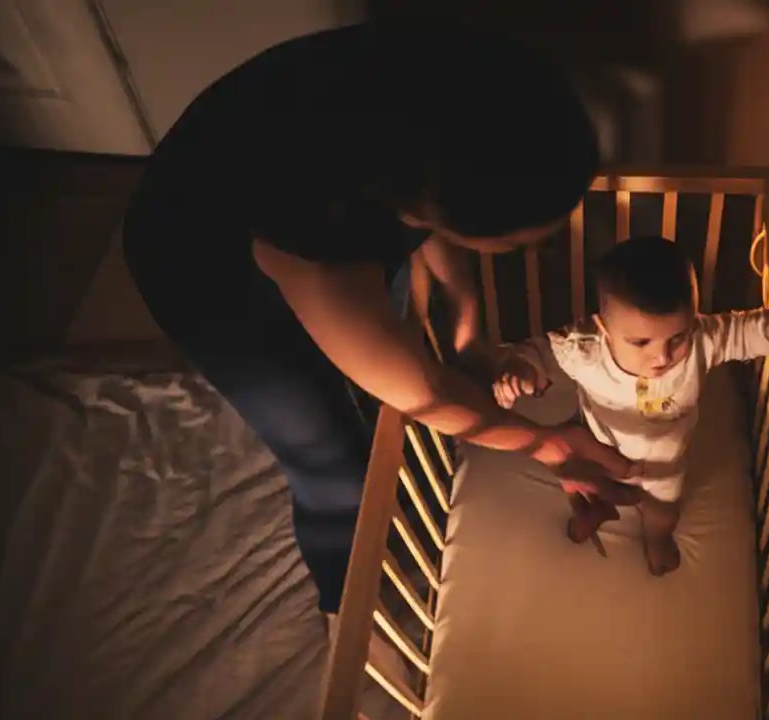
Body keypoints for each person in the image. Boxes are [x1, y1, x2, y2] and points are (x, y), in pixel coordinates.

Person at [122, 17, 642, 626]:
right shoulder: (317, 230)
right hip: (201, 263)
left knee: (385, 346)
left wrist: (469, 329)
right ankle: (344, 612)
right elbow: (422, 395)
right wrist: (550, 445)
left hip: (308, 190)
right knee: (333, 464)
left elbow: (431, 228)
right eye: (515, 245)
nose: (536, 251)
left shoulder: (454, 91)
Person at [492, 236, 769, 576]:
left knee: (662, 512)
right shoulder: (585, 349)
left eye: (678, 337)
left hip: (663, 459)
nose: (661, 356)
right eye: (640, 342)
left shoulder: (704, 339)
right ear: (603, 327)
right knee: (579, 480)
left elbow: (748, 330)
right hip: (596, 441)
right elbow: (540, 352)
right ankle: (591, 512)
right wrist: (521, 370)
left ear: (694, 319)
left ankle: (656, 540)